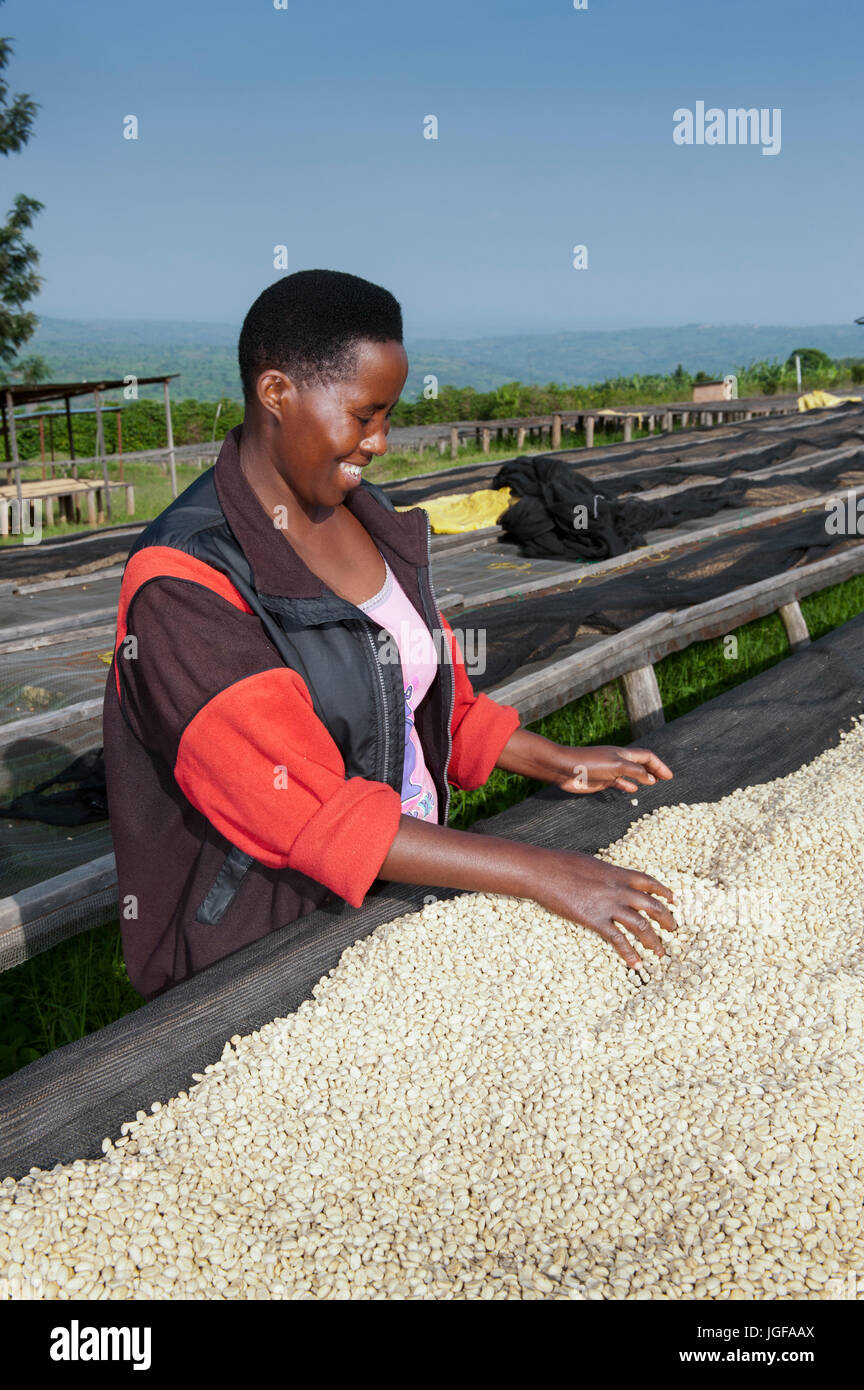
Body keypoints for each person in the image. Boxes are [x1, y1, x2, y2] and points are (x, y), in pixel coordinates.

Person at [103, 270, 677, 1001]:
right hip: (264, 945)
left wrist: (556, 762)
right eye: (364, 415)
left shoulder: (367, 518)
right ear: (277, 394)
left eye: (389, 415)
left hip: (394, 899)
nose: (379, 442)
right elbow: (309, 810)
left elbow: (427, 695)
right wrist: (541, 871)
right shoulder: (185, 585)